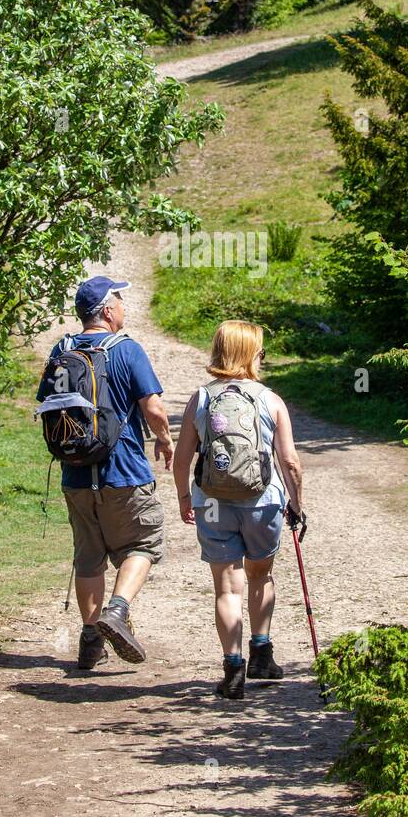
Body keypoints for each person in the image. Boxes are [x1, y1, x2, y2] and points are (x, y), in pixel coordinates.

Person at [38, 276, 173, 669]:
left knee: (89, 558)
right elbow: (153, 409)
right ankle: (117, 610)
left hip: (75, 474)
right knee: (143, 545)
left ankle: (90, 642)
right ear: (109, 311)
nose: (123, 308)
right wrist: (163, 440)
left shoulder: (60, 350)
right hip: (124, 472)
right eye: (120, 300)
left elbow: (49, 405)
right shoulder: (126, 350)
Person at [172, 321, 304, 700]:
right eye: (260, 351)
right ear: (252, 355)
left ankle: (233, 670)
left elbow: (182, 460)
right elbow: (290, 461)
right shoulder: (270, 399)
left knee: (227, 587)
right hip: (263, 501)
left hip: (212, 502)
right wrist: (297, 505)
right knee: (260, 574)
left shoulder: (200, 398)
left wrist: (184, 497)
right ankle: (262, 653)